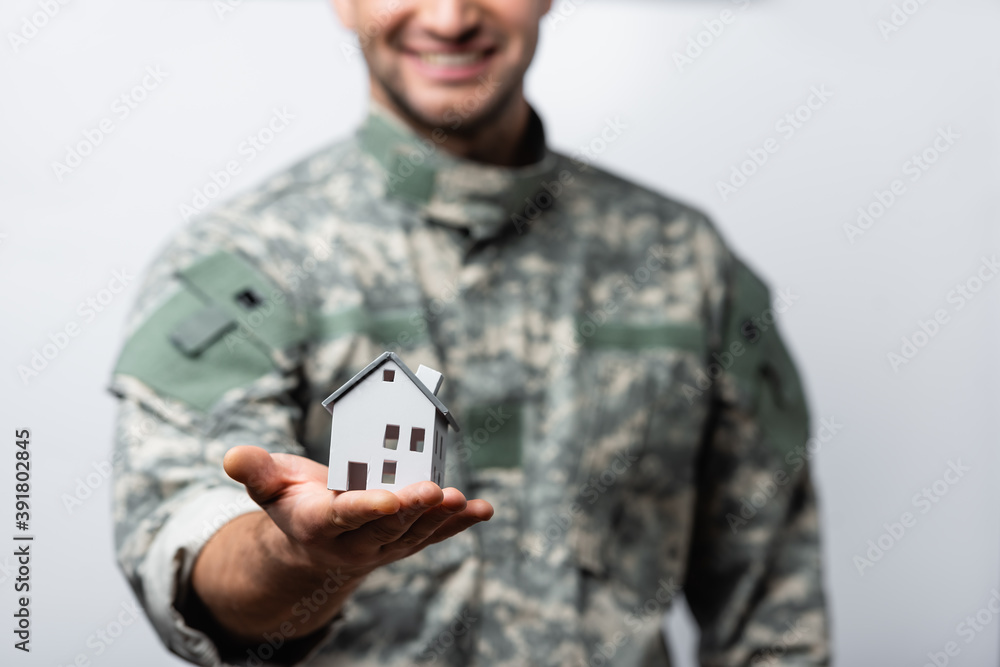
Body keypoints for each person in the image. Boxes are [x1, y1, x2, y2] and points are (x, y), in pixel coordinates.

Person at [109, 1, 831, 665]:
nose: (451, 17)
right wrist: (305, 556)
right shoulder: (246, 263)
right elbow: (184, 549)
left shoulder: (683, 259)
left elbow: (775, 609)